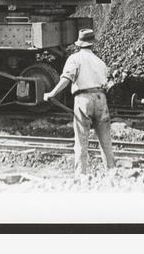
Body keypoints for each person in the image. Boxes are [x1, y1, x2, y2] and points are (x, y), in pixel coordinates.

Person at [43, 28, 117, 177]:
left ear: (79, 44)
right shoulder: (100, 62)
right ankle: (111, 172)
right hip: (101, 99)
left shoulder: (75, 59)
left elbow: (66, 79)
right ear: (92, 44)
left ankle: (81, 175)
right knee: (106, 141)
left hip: (83, 100)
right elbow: (106, 83)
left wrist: (51, 93)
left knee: (81, 140)